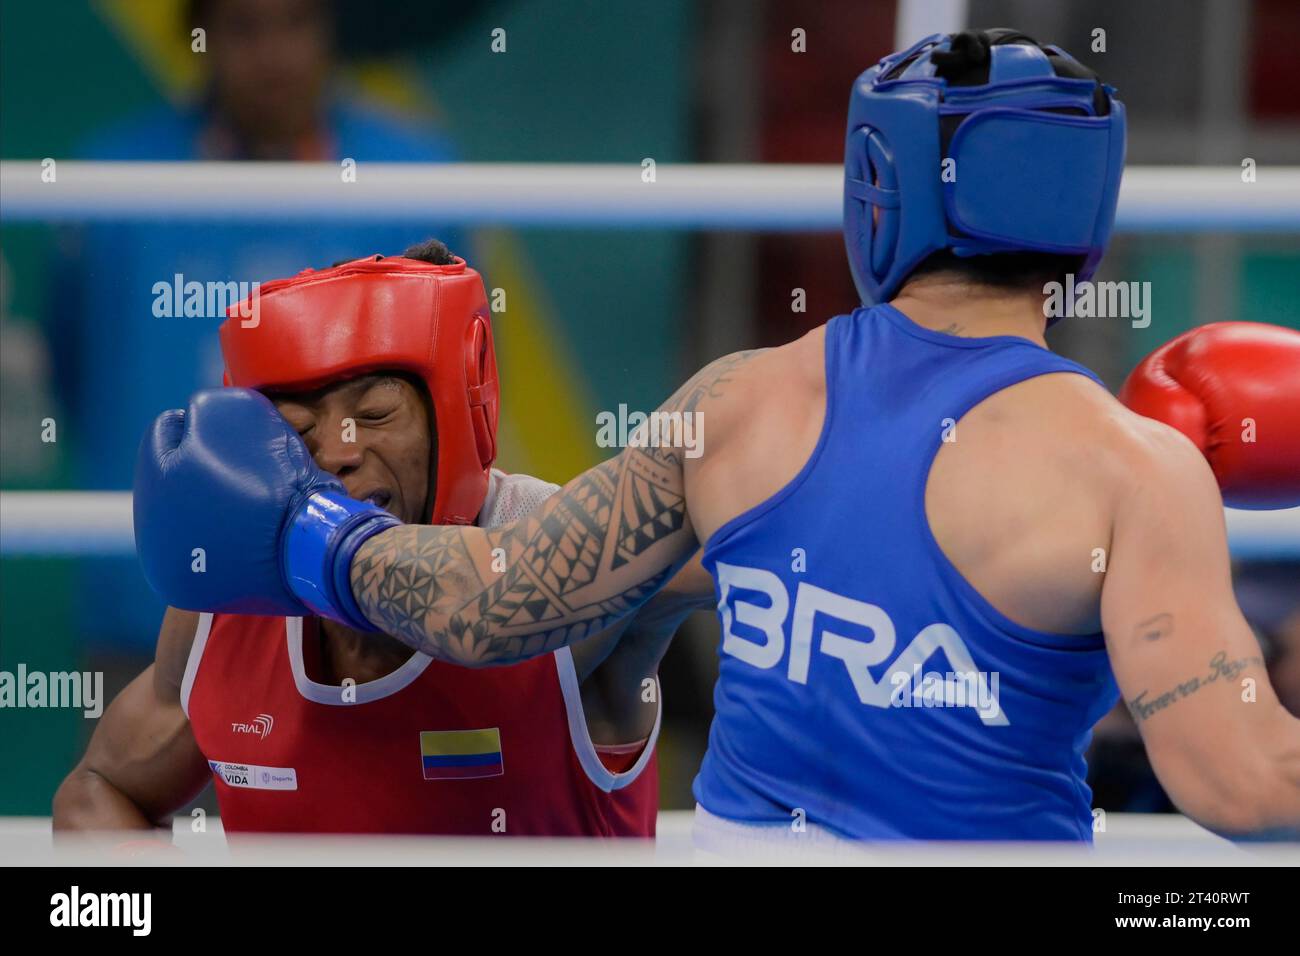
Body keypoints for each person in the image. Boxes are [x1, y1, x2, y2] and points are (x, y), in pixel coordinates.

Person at [133, 30, 1300, 842]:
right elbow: (1243, 781)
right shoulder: (1133, 469)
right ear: (1085, 218)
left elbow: (491, 603)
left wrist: (307, 535)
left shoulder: (740, 403)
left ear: (875, 188)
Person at [56, 240, 708, 839]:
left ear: (459, 411)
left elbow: (745, 541)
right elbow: (101, 787)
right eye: (298, 428)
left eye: (375, 414)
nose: (339, 451)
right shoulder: (224, 608)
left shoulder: (561, 550)